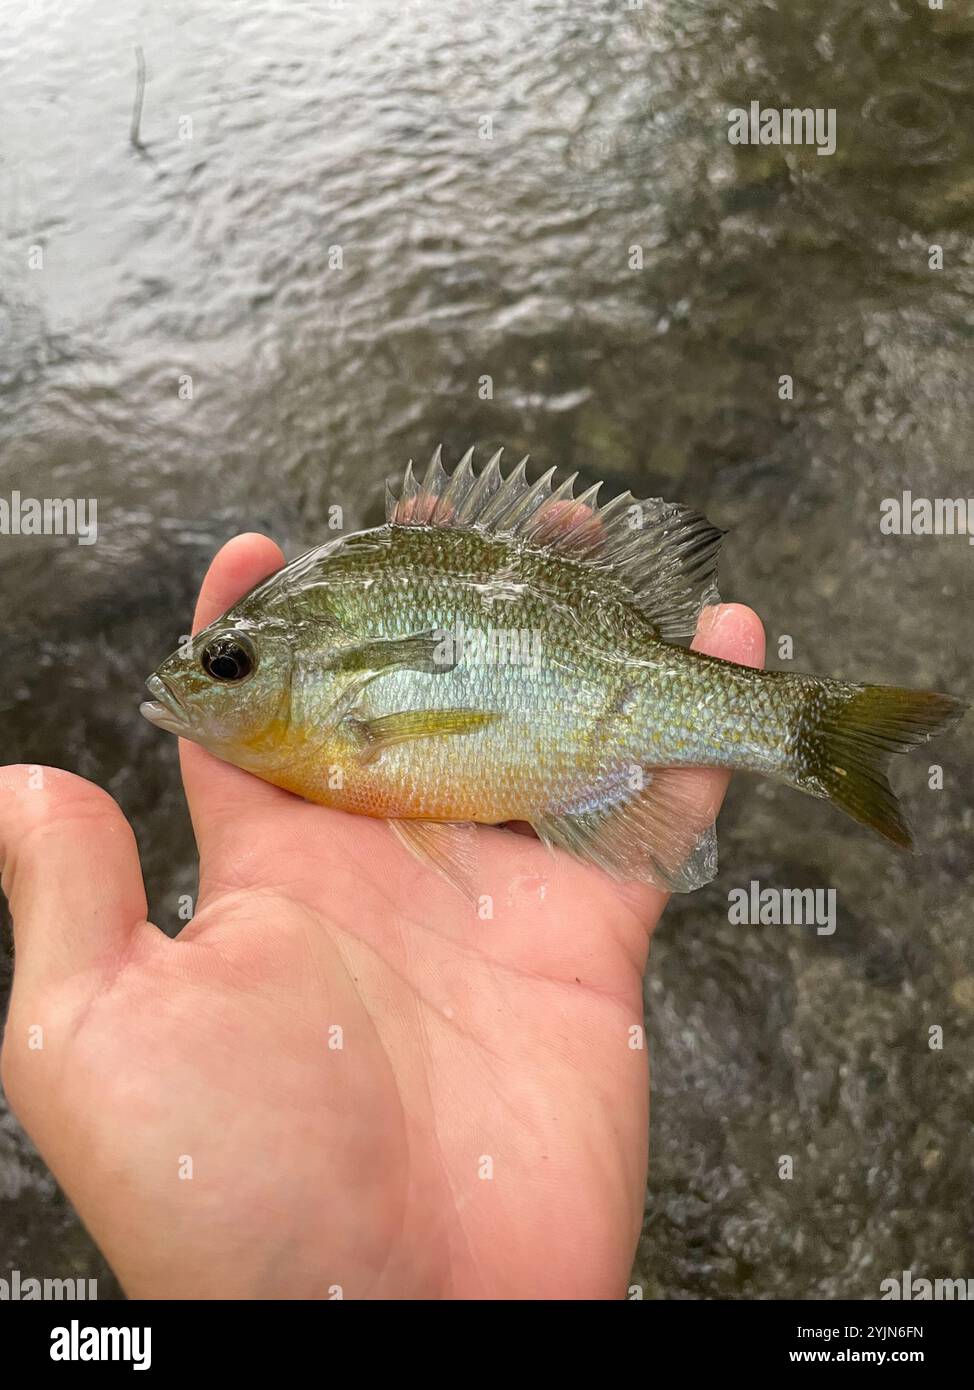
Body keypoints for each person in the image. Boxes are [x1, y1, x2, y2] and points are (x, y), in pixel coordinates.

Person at [0, 533, 764, 1299]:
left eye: (229, 665)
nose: (194, 681)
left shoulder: (338, 736)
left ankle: (792, 730)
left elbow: (419, 754)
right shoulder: (320, 731)